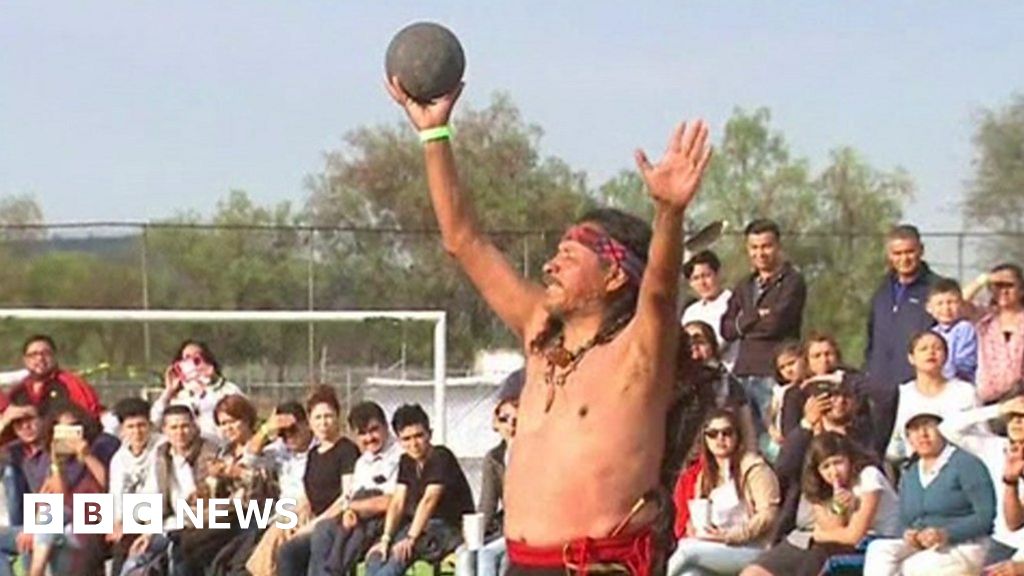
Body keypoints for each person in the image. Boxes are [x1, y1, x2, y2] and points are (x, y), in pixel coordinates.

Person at [386, 74, 713, 575]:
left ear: (613, 276)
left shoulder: (637, 355)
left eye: (568, 255)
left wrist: (669, 213)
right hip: (521, 563)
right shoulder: (540, 336)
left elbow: (662, 292)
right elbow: (463, 240)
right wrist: (434, 134)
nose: (549, 266)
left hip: (598, 567)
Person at [741, 432, 899, 576]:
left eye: (838, 462)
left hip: (880, 542)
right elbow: (835, 529)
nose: (834, 472)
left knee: (821, 559)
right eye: (826, 467)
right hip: (825, 542)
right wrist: (838, 509)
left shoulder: (869, 477)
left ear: (850, 459)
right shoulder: (823, 486)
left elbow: (853, 536)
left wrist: (818, 535)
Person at [864, 409, 996, 575]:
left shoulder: (966, 464)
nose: (923, 434)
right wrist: (909, 534)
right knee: (879, 550)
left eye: (929, 426)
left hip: (963, 544)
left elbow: (985, 517)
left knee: (913, 567)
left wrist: (946, 533)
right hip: (923, 544)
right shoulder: (911, 473)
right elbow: (906, 519)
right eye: (915, 430)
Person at [721, 219, 807, 442]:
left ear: (778, 247)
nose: (760, 253)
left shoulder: (792, 282)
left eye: (766, 246)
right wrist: (755, 316)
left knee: (774, 442)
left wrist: (744, 323)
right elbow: (726, 329)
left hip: (774, 374)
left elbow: (776, 324)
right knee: (745, 440)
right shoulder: (745, 285)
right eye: (754, 247)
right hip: (742, 374)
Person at [365, 404, 474, 576]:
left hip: (448, 527)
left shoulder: (441, 456)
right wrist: (386, 539)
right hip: (419, 526)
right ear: (399, 441)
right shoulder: (406, 461)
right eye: (406, 439)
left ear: (429, 434)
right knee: (377, 557)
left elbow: (429, 500)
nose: (414, 444)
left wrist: (410, 538)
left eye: (419, 436)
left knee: (398, 557)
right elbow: (397, 502)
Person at [668, 409, 779, 576]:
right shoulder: (704, 476)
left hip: (751, 548)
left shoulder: (755, 469)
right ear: (705, 439)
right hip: (713, 546)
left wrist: (730, 536)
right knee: (690, 573)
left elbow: (769, 515)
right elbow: (696, 517)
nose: (720, 439)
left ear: (737, 436)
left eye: (726, 433)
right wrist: (695, 528)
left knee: (685, 552)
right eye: (712, 434)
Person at [305, 401, 402, 576]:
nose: (369, 438)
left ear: (385, 427)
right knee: (323, 530)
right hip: (358, 519)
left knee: (350, 540)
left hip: (387, 524)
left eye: (374, 430)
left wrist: (353, 507)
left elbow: (391, 501)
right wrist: (350, 511)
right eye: (362, 434)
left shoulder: (399, 456)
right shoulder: (362, 462)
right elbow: (352, 496)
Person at [122, 404, 220, 576]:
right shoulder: (162, 455)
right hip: (169, 523)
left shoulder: (210, 453)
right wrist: (148, 532)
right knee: (134, 558)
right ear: (165, 431)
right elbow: (152, 495)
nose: (180, 433)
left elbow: (206, 498)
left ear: (194, 427)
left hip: (200, 525)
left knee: (176, 553)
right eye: (174, 427)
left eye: (185, 426)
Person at [864, 224, 938, 453]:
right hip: (880, 390)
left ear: (921, 250)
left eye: (909, 252)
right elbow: (871, 336)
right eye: (897, 253)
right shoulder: (882, 290)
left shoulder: (935, 289)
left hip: (916, 390)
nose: (904, 259)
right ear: (889, 255)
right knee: (876, 456)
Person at [276, 387, 361, 576]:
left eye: (328, 416)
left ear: (338, 417)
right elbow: (307, 494)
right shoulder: (314, 454)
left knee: (291, 551)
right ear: (310, 422)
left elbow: (345, 498)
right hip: (313, 520)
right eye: (318, 418)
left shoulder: (347, 450)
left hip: (335, 524)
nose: (324, 423)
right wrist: (290, 520)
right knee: (283, 545)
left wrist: (312, 525)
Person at [456, 378, 520, 576]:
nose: (510, 426)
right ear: (496, 422)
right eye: (504, 419)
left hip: (525, 530)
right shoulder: (493, 458)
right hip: (502, 527)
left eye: (516, 420)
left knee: (487, 555)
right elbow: (487, 504)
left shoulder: (533, 455)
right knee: (465, 554)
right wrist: (474, 535)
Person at [886, 331, 979, 462]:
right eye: (923, 349)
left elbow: (982, 434)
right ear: (911, 358)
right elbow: (895, 441)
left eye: (937, 348)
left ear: (946, 357)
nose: (931, 352)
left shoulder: (965, 391)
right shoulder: (902, 394)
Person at [682, 321, 758, 454]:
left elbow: (747, 426)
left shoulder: (728, 382)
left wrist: (751, 457)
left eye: (699, 341)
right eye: (687, 343)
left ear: (711, 345)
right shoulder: (671, 383)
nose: (693, 347)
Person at [107, 397, 161, 576]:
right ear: (122, 430)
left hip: (157, 515)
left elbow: (156, 491)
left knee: (127, 546)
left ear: (150, 426)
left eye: (141, 425)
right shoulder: (119, 458)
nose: (137, 432)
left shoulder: (160, 449)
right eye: (131, 427)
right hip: (131, 519)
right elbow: (116, 493)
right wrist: (117, 521)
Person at [150, 340, 244, 442]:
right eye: (187, 357)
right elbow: (154, 421)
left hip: (219, 447)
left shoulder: (226, 389)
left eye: (197, 357)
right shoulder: (178, 396)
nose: (192, 362)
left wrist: (212, 381)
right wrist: (168, 391)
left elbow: (244, 412)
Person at [2, 335, 101, 419]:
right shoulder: (18, 391)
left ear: (54, 356)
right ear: (25, 360)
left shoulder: (72, 384)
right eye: (33, 354)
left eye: (45, 353)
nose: (40, 358)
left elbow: (90, 416)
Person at [967, 263, 1024, 404]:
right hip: (989, 399)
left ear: (1021, 289)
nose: (1003, 291)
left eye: (1009, 286)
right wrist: (983, 280)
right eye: (998, 286)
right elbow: (958, 302)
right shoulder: (984, 317)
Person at [681, 250, 736, 369]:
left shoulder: (734, 302)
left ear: (718, 274)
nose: (702, 283)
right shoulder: (690, 312)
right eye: (695, 278)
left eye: (706, 275)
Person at [926, 277, 978, 383]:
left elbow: (965, 363)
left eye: (951, 302)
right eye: (939, 303)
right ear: (929, 308)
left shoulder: (965, 328)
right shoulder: (932, 332)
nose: (946, 309)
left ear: (962, 305)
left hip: (960, 384)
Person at [765, 341, 804, 459]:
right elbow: (769, 413)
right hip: (779, 443)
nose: (788, 370)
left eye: (791, 363)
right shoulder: (780, 391)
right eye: (782, 368)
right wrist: (772, 429)